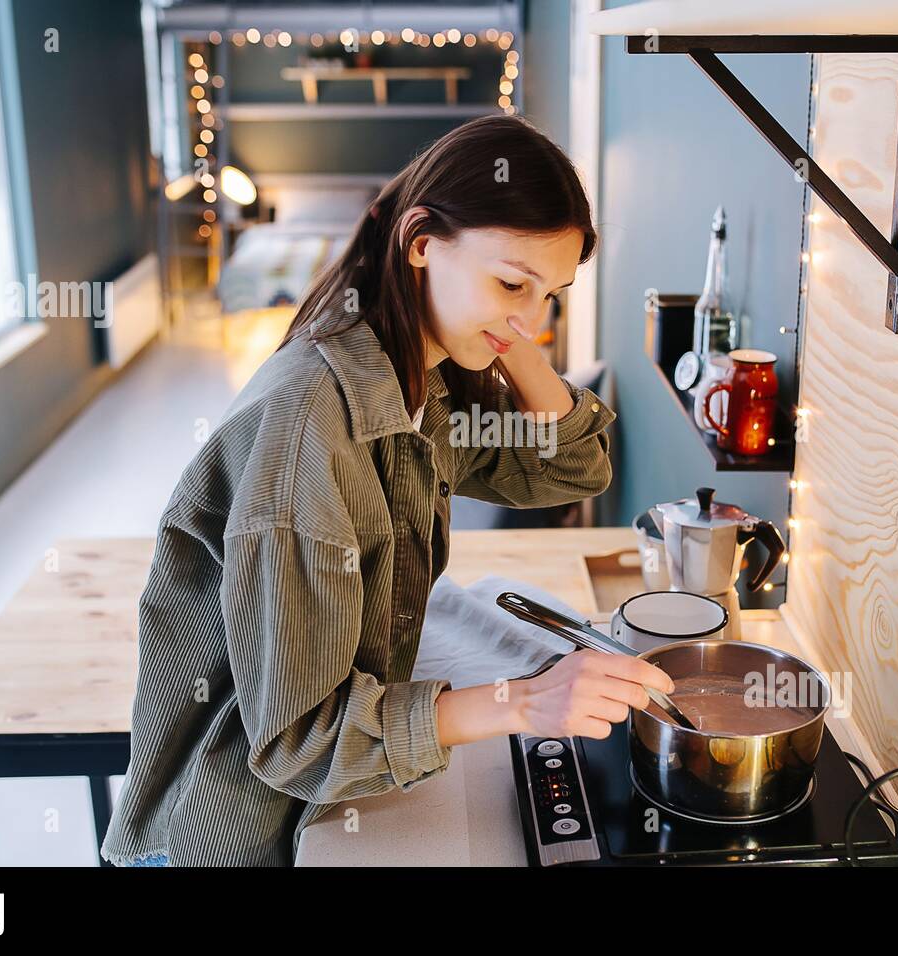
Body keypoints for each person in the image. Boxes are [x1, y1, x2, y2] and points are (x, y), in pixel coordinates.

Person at [100, 115, 673, 867]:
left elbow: (571, 468)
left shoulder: (416, 376)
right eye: (509, 280)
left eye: (553, 295)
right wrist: (522, 702)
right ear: (420, 242)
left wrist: (514, 326)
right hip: (223, 836)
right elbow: (300, 742)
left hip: (312, 806)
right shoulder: (309, 427)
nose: (533, 315)